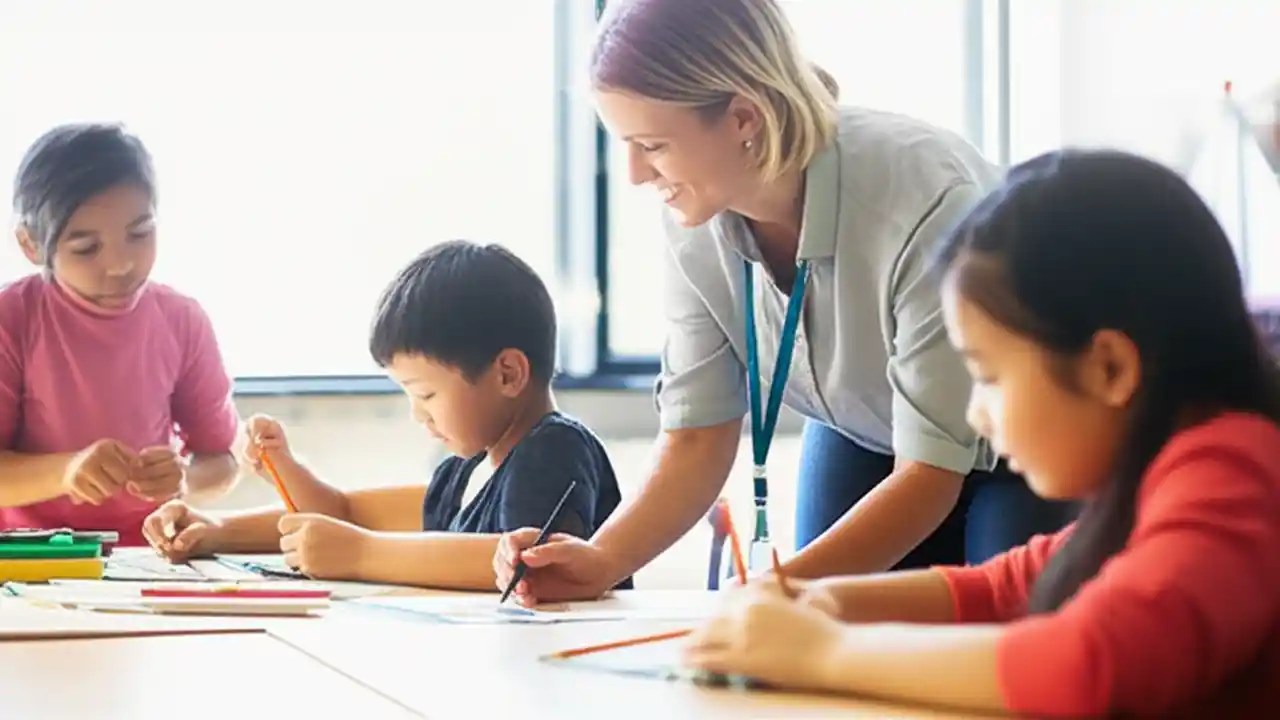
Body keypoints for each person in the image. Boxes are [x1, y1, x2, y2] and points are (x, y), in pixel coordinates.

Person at [494, 0, 1071, 605]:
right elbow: (697, 436)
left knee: (1004, 637)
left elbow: (930, 473)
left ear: (744, 117)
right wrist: (601, 560)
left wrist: (775, 592)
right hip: (866, 428)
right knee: (821, 644)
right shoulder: (695, 214)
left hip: (1028, 440)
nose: (636, 174)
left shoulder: (925, 198)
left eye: (653, 145)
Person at [683, 150, 1280, 717]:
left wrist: (819, 652)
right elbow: (1008, 586)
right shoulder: (1172, 477)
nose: (978, 414)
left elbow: (1088, 664)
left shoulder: (1231, 474)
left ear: (1110, 369)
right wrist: (828, 603)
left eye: (990, 376)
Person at [144, 241, 628, 590]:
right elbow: (343, 513)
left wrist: (360, 554)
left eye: (426, 394)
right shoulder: (466, 470)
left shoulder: (553, 449)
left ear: (507, 374)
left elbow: (523, 562)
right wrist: (218, 529)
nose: (418, 414)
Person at [0, 123, 239, 545]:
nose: (120, 265)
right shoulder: (12, 320)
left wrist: (183, 479)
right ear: (30, 245)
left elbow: (222, 460)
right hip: (27, 556)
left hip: (149, 555)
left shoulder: (181, 320)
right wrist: (67, 471)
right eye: (86, 248)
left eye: (140, 234)